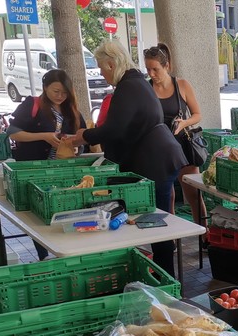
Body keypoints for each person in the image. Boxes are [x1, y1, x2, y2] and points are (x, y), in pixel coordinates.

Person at [67, 41, 187, 278]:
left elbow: (115, 129)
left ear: (111, 64)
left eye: (102, 68)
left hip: (156, 162)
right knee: (155, 223)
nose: (101, 73)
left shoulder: (129, 86)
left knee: (157, 225)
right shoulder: (135, 82)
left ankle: (167, 281)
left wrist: (84, 136)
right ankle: (163, 276)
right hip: (157, 160)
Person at [6, 69, 86, 260]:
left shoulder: (71, 109)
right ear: (45, 87)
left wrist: (76, 146)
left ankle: (66, 254)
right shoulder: (31, 105)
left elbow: (82, 135)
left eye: (64, 93)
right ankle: (44, 256)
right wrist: (44, 136)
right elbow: (13, 132)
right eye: (55, 91)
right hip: (34, 171)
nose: (60, 96)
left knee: (64, 213)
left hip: (62, 171)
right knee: (38, 217)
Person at [143, 43, 207, 226]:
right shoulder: (146, 88)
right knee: (166, 195)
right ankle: (169, 239)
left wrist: (184, 123)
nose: (151, 74)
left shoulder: (182, 85)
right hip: (158, 151)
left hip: (183, 146)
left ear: (167, 66)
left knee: (193, 194)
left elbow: (197, 115)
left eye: (155, 69)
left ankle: (204, 235)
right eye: (148, 69)